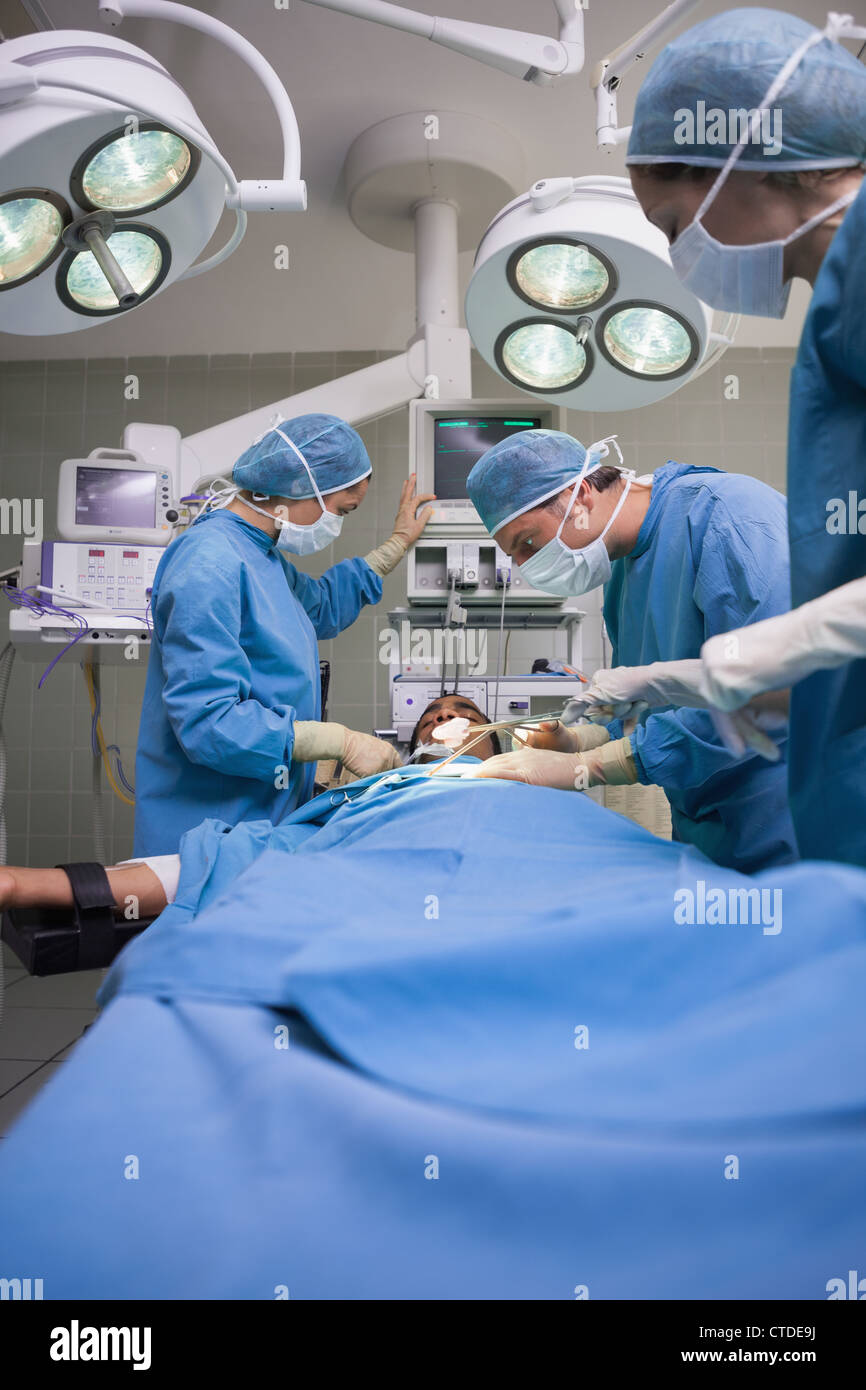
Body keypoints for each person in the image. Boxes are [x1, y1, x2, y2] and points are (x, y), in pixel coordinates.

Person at [607, 6, 866, 866]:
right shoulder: (840, 307)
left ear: (745, 156)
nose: (681, 252)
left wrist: (775, 647)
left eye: (675, 222)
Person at [465, 429, 798, 873]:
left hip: (795, 820)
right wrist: (581, 740)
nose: (526, 566)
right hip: (713, 831)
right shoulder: (621, 576)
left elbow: (778, 693)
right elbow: (654, 708)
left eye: (527, 542)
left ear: (580, 494)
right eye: (515, 555)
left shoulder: (729, 517)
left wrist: (598, 765)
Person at [133, 413, 433, 856]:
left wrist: (396, 545)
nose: (338, 524)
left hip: (256, 824)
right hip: (206, 836)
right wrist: (337, 742)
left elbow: (320, 607)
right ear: (301, 488)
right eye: (342, 511)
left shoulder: (260, 557)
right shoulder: (209, 562)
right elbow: (207, 723)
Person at [0, 696, 502, 924]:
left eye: (463, 715)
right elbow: (269, 851)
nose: (445, 720)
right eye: (432, 717)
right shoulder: (382, 787)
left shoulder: (520, 780)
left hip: (486, 860)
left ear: (497, 742)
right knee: (238, 853)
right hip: (369, 860)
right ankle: (25, 885)